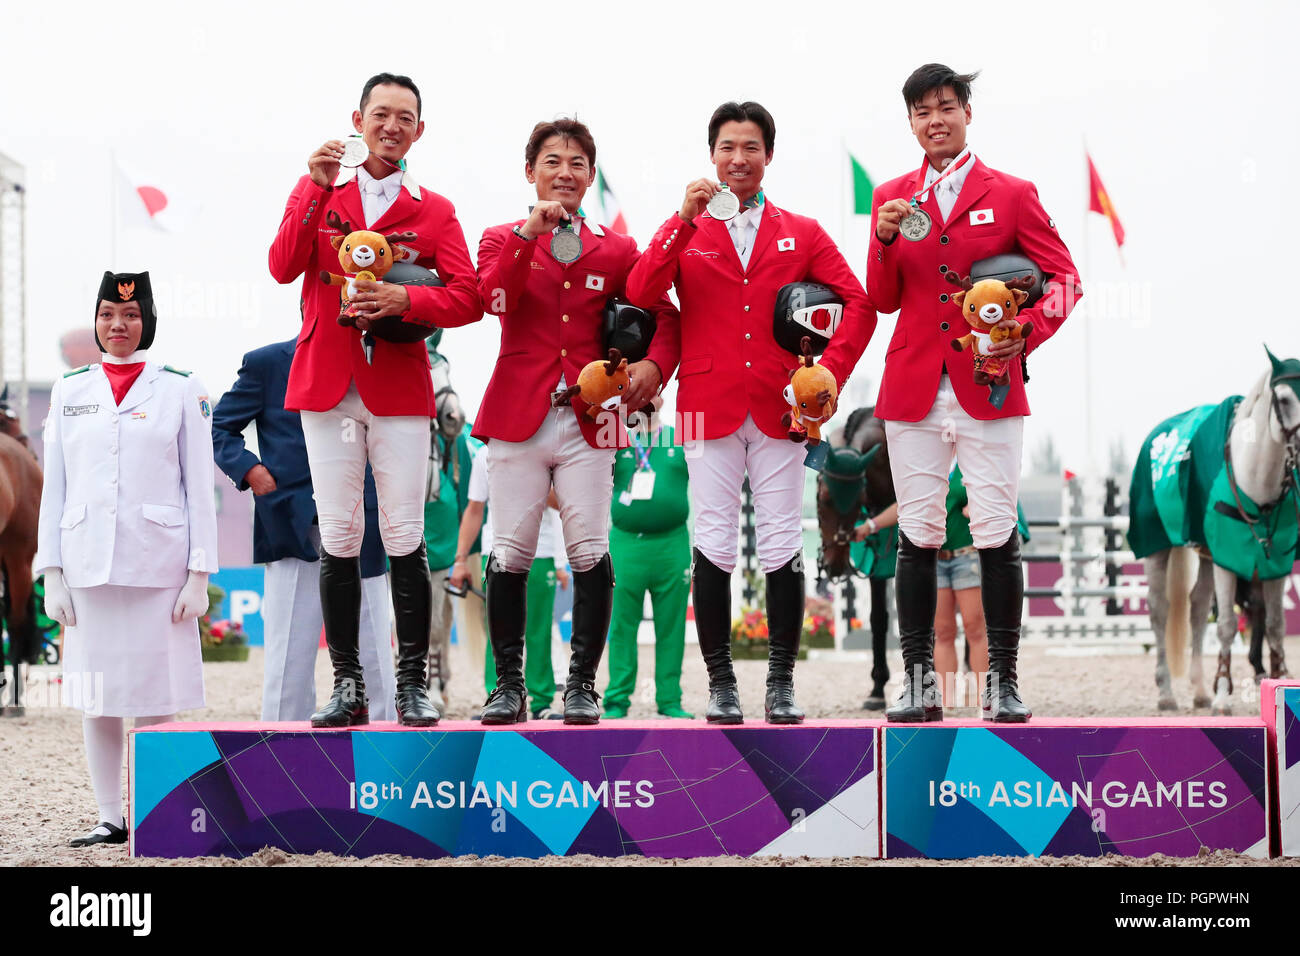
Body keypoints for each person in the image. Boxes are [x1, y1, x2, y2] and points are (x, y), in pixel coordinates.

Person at [626, 101, 875, 724]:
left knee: (782, 543)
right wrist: (680, 221)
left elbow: (859, 304)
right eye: (727, 148)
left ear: (769, 154)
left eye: (751, 148)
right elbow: (640, 293)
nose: (738, 159)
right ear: (711, 154)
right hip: (704, 404)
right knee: (710, 546)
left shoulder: (804, 232)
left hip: (784, 407)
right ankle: (720, 685)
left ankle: (782, 683)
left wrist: (827, 377)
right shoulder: (687, 230)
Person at [867, 64, 1083, 722]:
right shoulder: (892, 196)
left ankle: (1002, 682)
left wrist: (1024, 336)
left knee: (995, 533)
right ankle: (920, 684)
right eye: (921, 111)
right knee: (918, 536)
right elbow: (880, 299)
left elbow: (1065, 280)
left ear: (966, 112)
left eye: (946, 106)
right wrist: (880, 240)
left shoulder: (1013, 193)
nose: (935, 120)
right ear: (909, 122)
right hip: (913, 386)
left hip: (988, 383)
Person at [268, 72, 482, 727]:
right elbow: (281, 265)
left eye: (405, 117)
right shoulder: (321, 191)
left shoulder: (435, 209)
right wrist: (311, 184)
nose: (391, 126)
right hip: (327, 388)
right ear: (357, 119)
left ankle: (413, 683)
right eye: (380, 114)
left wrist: (408, 299)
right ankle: (348, 683)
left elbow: (469, 295)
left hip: (397, 389)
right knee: (338, 532)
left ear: (420, 129)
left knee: (404, 533)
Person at [470, 117, 678, 724]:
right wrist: (525, 235)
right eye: (553, 161)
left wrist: (652, 371)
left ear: (590, 176)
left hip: (599, 413)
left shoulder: (616, 249)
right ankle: (508, 686)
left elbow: (661, 312)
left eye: (577, 163)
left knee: (589, 546)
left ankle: (582, 684)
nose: (565, 172)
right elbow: (491, 299)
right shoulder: (498, 236)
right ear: (530, 170)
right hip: (518, 410)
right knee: (510, 550)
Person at [37, 271, 218, 846]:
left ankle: (156, 812)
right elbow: (54, 489)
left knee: (155, 693)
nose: (119, 326)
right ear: (96, 322)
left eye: (131, 316)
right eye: (109, 316)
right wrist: (51, 573)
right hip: (87, 563)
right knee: (99, 695)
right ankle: (110, 816)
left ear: (148, 322)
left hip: (158, 565)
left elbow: (199, 488)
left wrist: (199, 574)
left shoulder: (181, 388)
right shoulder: (69, 391)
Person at [211, 338, 397, 722]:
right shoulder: (266, 363)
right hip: (293, 523)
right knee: (289, 657)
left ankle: (386, 747)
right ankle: (281, 750)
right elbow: (219, 425)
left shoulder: (379, 356)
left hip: (363, 517)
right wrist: (249, 470)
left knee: (375, 648)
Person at [449, 446, 570, 718]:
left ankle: (540, 702)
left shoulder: (547, 448)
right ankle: (497, 693)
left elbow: (560, 502)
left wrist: (534, 477)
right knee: (497, 630)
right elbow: (474, 508)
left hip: (542, 549)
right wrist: (460, 560)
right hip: (498, 549)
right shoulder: (484, 454)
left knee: (539, 629)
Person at [603, 405, 693, 719]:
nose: (644, 398)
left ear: (661, 395)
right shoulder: (614, 439)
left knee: (672, 625)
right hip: (626, 543)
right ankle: (616, 698)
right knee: (621, 624)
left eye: (650, 389)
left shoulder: (683, 434)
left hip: (672, 543)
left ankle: (670, 699)